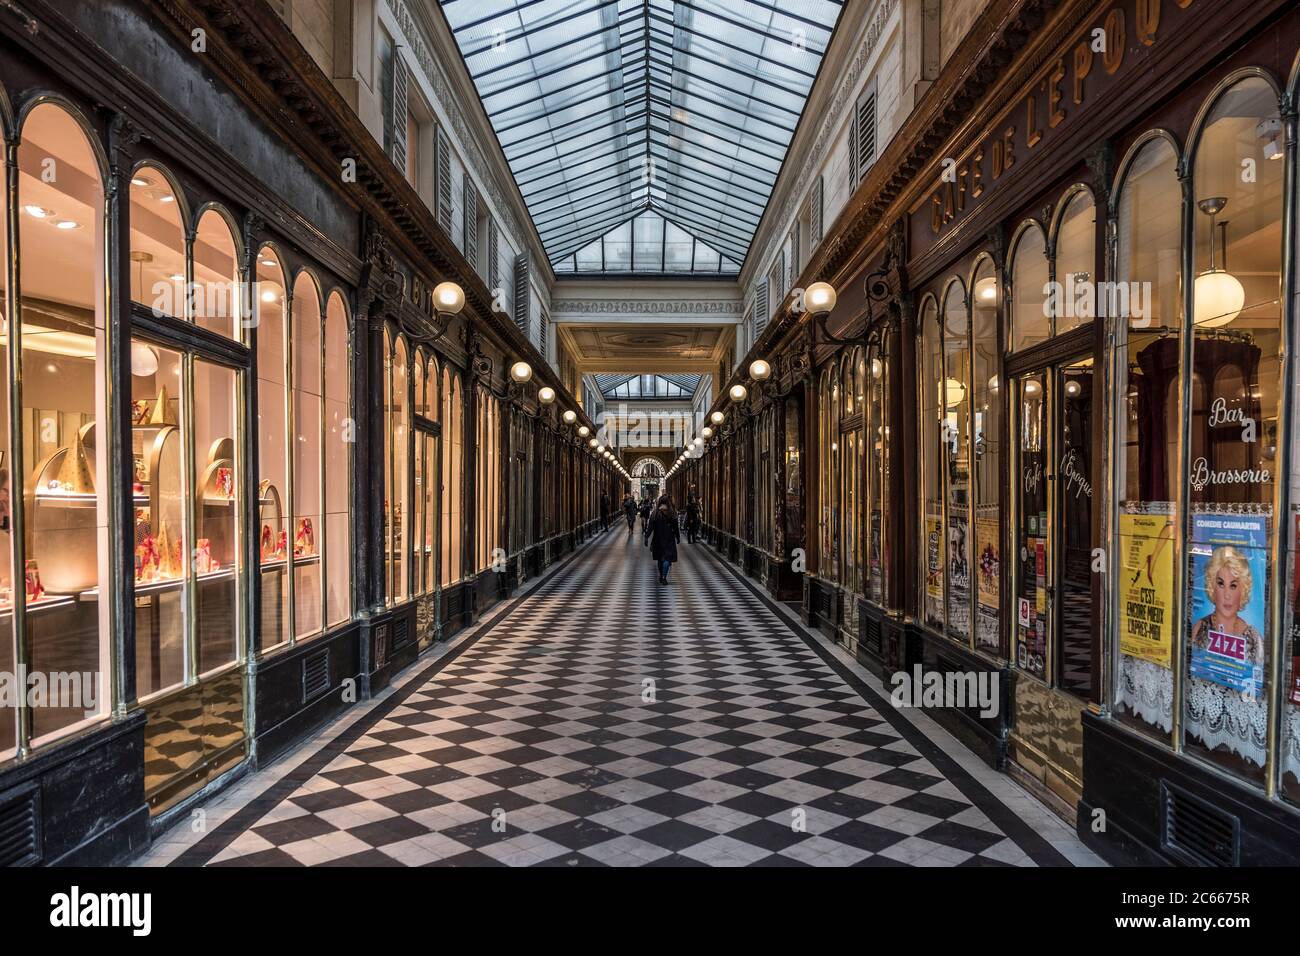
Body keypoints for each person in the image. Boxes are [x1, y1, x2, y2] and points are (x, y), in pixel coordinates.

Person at [648, 494, 680, 584]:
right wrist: (678, 537)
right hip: (669, 538)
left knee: (660, 558)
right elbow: (676, 527)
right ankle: (664, 577)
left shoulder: (655, 513)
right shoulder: (672, 513)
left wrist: (647, 537)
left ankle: (661, 575)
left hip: (657, 538)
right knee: (667, 558)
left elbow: (650, 526)